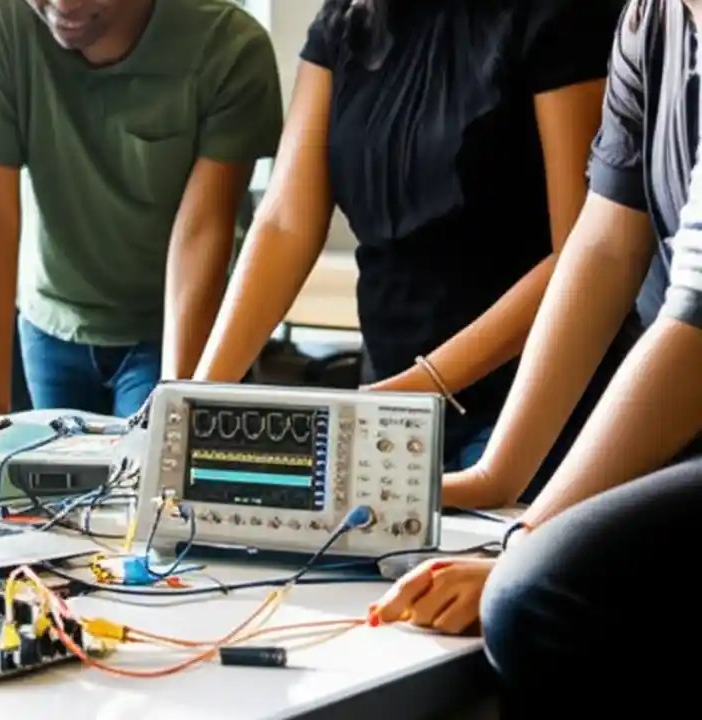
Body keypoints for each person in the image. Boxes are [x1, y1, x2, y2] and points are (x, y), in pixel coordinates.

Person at [371, 0, 702, 703]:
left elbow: (694, 338)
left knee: (531, 595)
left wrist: (522, 540)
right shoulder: (651, 18)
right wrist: (497, 476)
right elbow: (606, 244)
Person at [190, 0, 633, 506]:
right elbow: (285, 221)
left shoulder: (560, 15)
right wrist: (198, 401)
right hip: (396, 407)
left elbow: (586, 256)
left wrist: (419, 387)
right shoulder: (344, 20)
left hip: (531, 409)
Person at [0, 0, 283, 451]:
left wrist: (176, 402)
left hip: (165, 326)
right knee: (56, 503)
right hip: (52, 322)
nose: (62, 3)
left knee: (151, 479)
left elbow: (202, 232)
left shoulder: (229, 45)